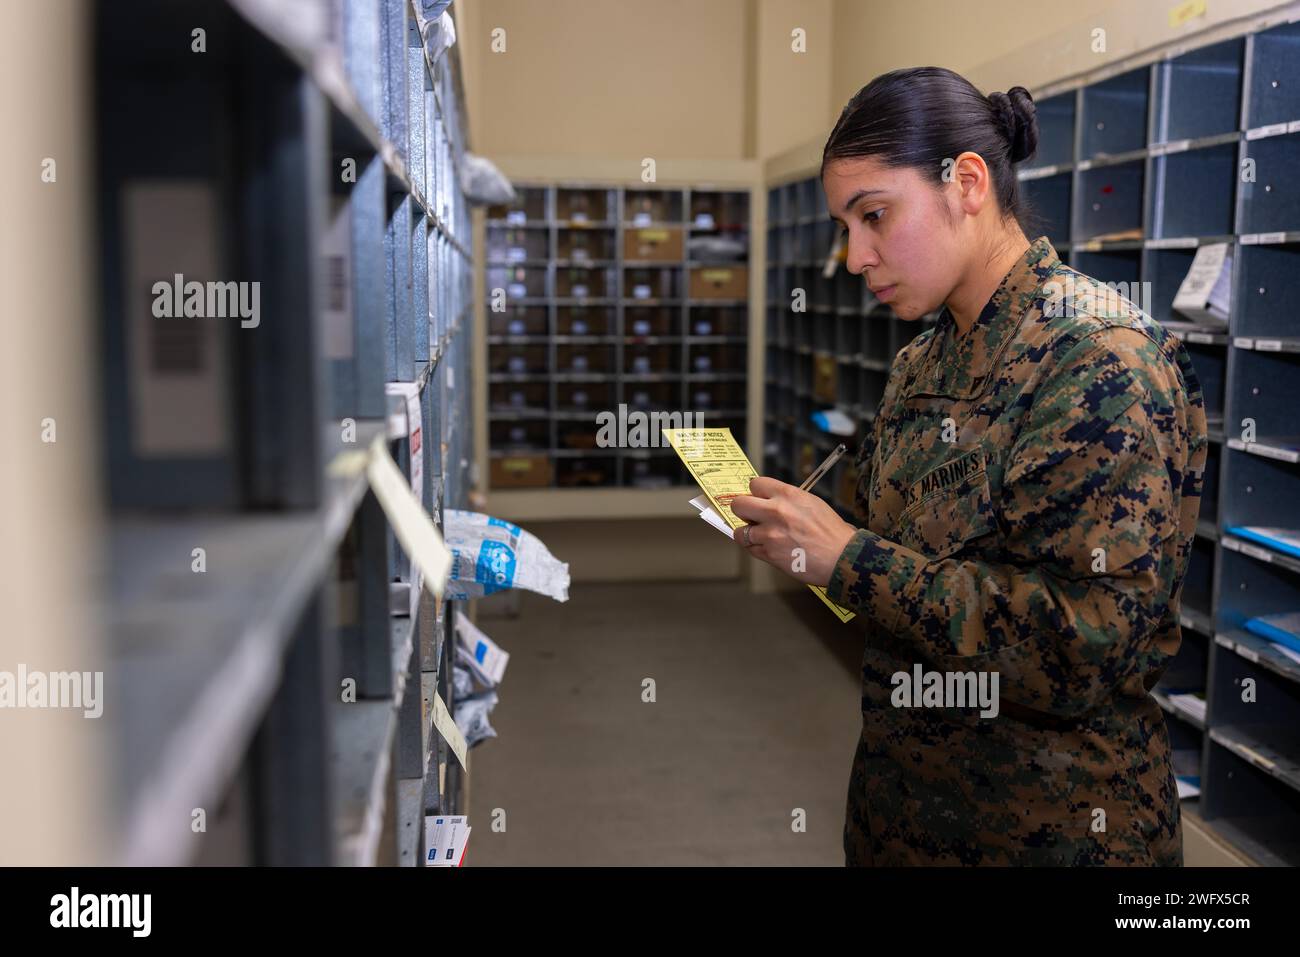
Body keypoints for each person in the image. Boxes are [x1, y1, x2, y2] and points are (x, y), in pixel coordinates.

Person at [731, 66, 1208, 865]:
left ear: (967, 183)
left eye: (874, 216)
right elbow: (903, 577)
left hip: (1050, 831)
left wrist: (850, 559)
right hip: (906, 814)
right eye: (845, 228)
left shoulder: (1099, 360)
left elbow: (1078, 649)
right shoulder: (922, 363)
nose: (855, 256)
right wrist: (807, 544)